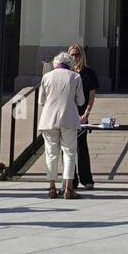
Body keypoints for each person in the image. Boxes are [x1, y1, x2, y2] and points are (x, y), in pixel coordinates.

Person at [37, 51, 87, 199]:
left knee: (51, 153)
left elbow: (41, 101)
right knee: (69, 153)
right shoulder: (75, 77)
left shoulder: (47, 77)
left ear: (55, 63)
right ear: (70, 64)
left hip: (49, 119)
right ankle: (68, 188)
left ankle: (52, 187)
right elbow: (81, 101)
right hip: (69, 118)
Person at [69, 43, 100, 190]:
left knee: (82, 147)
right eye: (72, 55)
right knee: (68, 148)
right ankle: (71, 180)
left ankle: (86, 179)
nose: (74, 57)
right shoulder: (68, 72)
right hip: (68, 114)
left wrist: (86, 113)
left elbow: (91, 95)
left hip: (82, 113)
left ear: (82, 56)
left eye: (77, 54)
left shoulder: (89, 73)